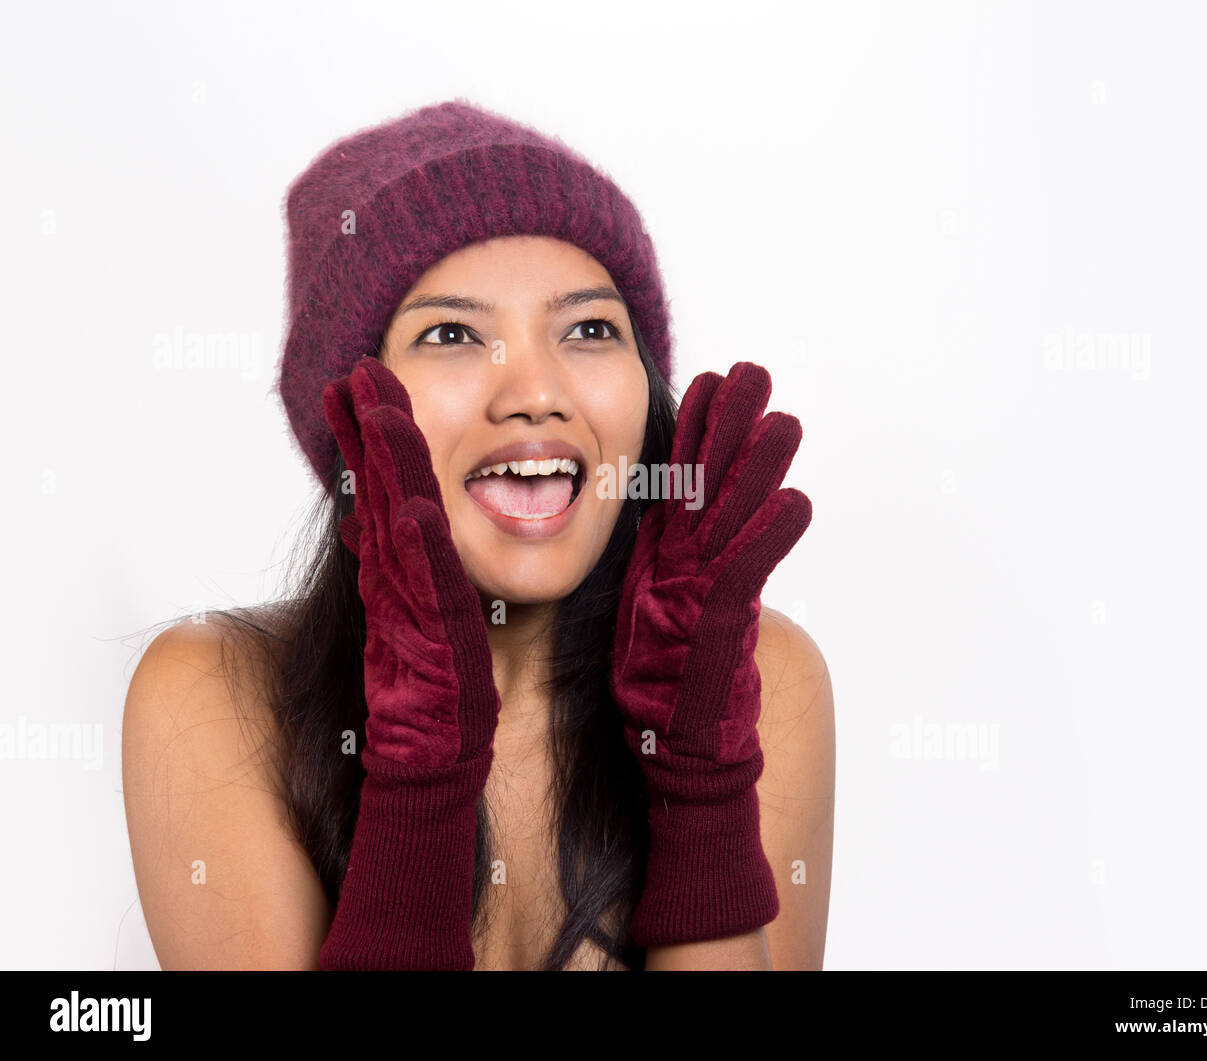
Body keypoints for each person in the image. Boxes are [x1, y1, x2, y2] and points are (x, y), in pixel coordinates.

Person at [122, 100, 835, 970]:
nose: (534, 388)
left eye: (589, 328)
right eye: (453, 333)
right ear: (352, 416)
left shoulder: (758, 679)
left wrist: (700, 784)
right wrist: (420, 778)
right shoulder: (215, 694)